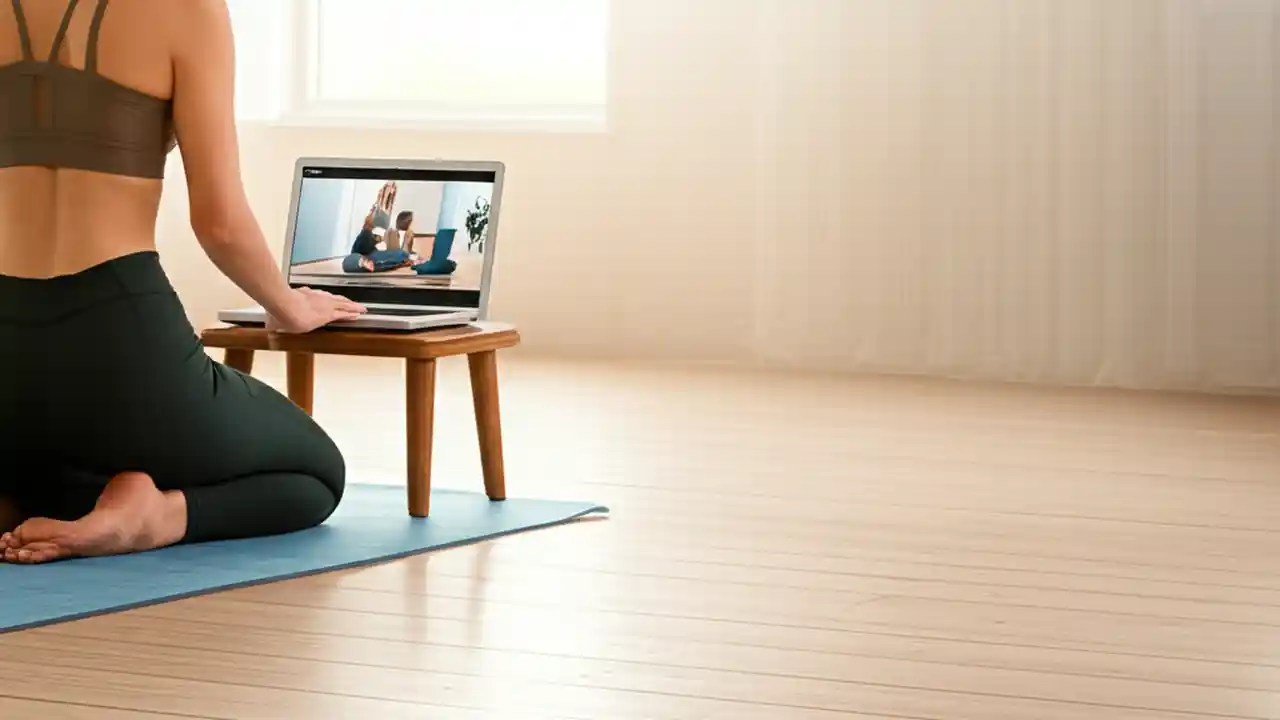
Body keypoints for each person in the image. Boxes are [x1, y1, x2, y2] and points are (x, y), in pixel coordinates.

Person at [0, 0, 369, 564]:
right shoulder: (185, 9)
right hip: (119, 335)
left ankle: (21, 495)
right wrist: (288, 306)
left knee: (52, 440)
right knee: (315, 471)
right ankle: (156, 516)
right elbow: (219, 221)